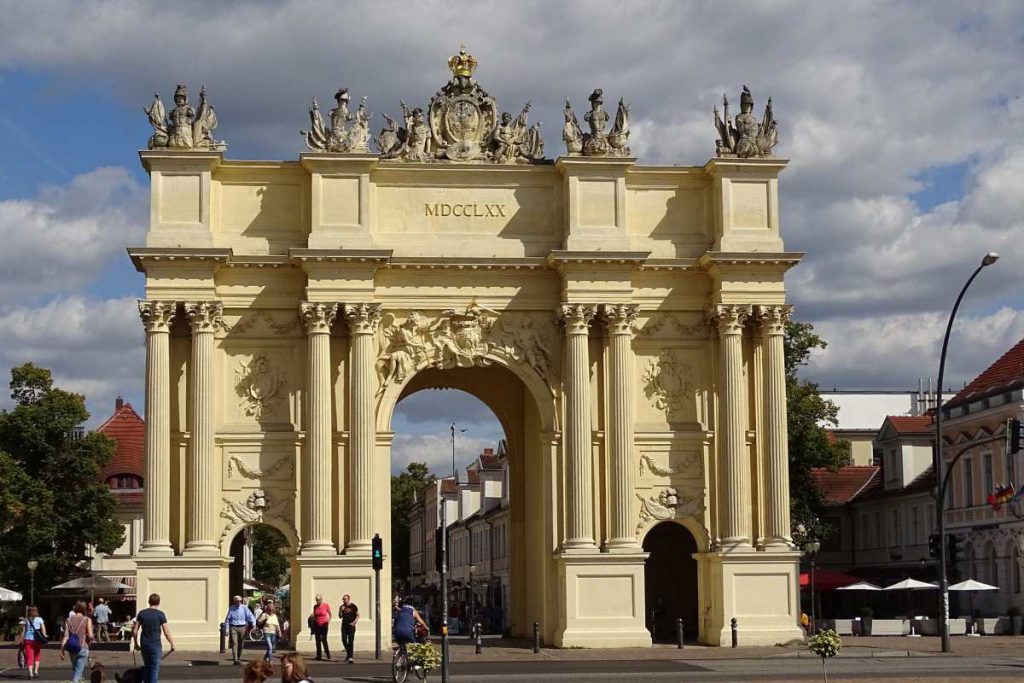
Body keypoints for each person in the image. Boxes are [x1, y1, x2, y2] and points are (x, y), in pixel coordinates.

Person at [133, 592, 176, 683]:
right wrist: (172, 644)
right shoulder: (160, 614)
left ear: (149, 601)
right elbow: (166, 632)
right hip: (155, 645)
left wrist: (136, 644)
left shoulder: (142, 613)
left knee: (147, 667)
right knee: (154, 669)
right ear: (159, 602)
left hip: (144, 644)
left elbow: (135, 631)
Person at [61, 600, 94, 683]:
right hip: (83, 648)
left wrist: (62, 650)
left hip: (72, 648)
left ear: (75, 608)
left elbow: (65, 636)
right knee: (78, 673)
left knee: (77, 670)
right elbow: (90, 635)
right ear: (84, 609)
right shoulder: (87, 619)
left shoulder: (68, 620)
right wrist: (90, 640)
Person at [224, 594, 256, 664]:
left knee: (241, 643)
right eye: (237, 601)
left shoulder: (244, 608)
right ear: (234, 601)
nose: (239, 602)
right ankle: (235, 659)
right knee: (234, 642)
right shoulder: (231, 608)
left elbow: (250, 616)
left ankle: (239, 657)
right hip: (233, 627)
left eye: (240, 601)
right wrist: (226, 630)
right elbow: (227, 620)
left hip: (242, 627)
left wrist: (254, 624)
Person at [20, 605, 47, 679]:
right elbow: (43, 630)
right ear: (36, 611)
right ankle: (35, 672)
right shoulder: (40, 619)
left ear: (29, 611)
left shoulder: (26, 619)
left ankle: (30, 673)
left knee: (29, 657)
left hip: (27, 639)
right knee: (37, 656)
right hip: (37, 640)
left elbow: (24, 631)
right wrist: (44, 636)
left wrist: (21, 640)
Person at [310, 594, 331, 661]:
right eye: (317, 600)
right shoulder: (315, 606)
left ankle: (327, 653)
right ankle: (319, 656)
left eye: (319, 600)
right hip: (317, 625)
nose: (318, 601)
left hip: (324, 624)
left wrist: (328, 621)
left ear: (321, 599)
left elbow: (330, 614)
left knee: (324, 640)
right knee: (317, 641)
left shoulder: (326, 605)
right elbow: (314, 614)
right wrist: (312, 615)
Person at [339, 594, 359, 664]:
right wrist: (341, 611)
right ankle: (348, 652)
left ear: (348, 599)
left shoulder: (353, 606)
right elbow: (340, 616)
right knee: (343, 639)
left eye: (345, 599)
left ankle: (350, 657)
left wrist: (354, 622)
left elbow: (358, 615)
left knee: (351, 641)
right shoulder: (342, 606)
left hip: (351, 626)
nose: (344, 600)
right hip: (344, 625)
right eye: (343, 599)